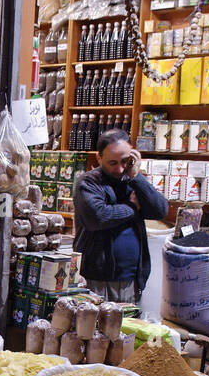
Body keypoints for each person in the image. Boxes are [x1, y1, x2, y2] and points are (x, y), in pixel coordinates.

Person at [72, 129, 169, 303]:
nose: (120, 168)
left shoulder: (133, 181)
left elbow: (159, 210)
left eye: (125, 161)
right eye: (112, 163)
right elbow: (99, 217)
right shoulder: (88, 183)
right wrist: (132, 207)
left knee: (129, 328)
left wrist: (137, 177)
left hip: (130, 279)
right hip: (96, 279)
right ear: (99, 158)